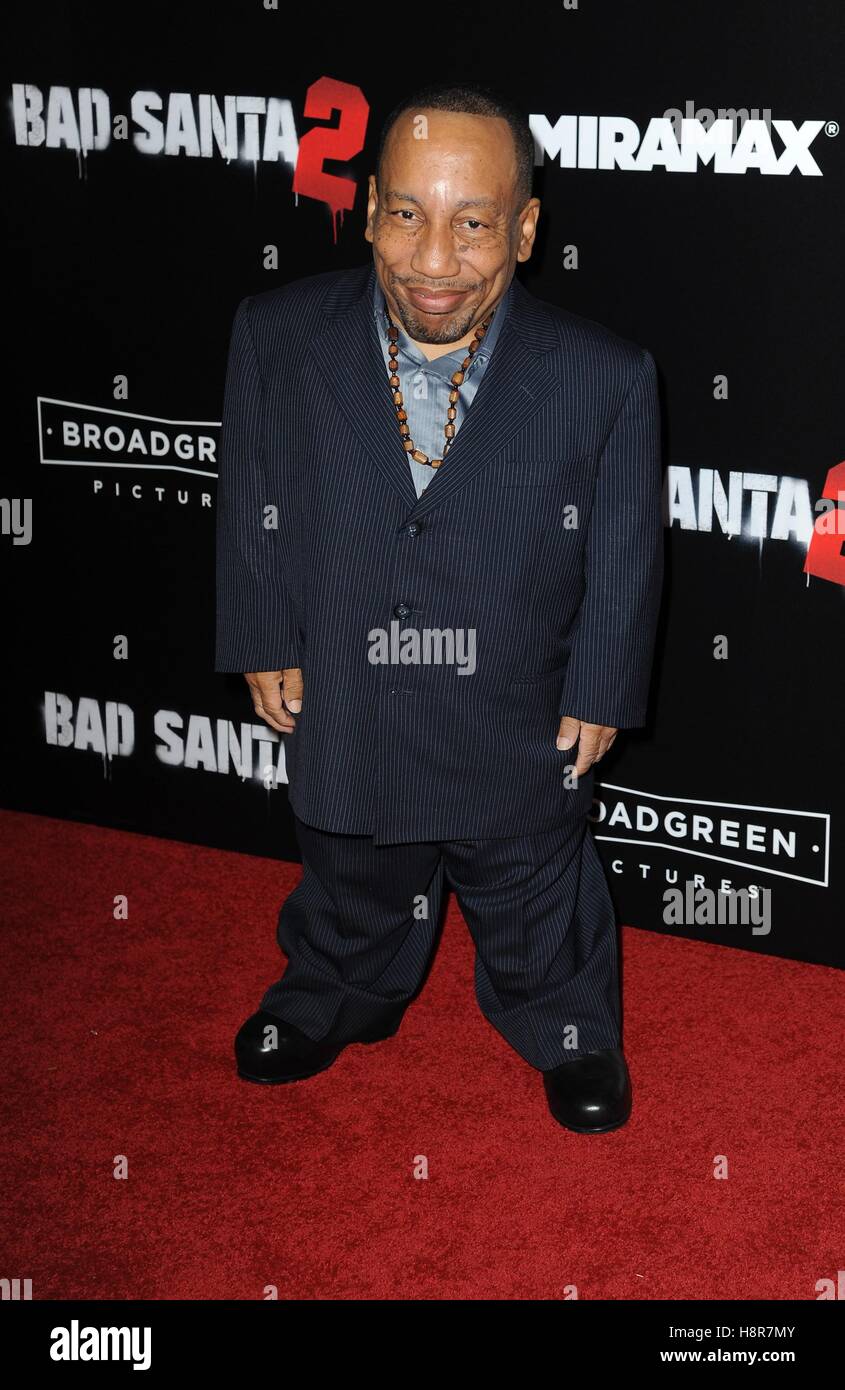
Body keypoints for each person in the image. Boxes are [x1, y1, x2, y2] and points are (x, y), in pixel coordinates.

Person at [215, 83, 664, 1132]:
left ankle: (564, 1025)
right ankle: (332, 994)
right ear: (369, 205)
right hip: (347, 696)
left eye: (471, 223)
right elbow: (251, 495)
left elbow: (625, 548)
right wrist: (260, 630)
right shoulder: (277, 335)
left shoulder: (604, 375)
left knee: (530, 882)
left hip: (512, 700)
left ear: (523, 227)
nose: (431, 259)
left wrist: (601, 682)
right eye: (407, 213)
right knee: (347, 868)